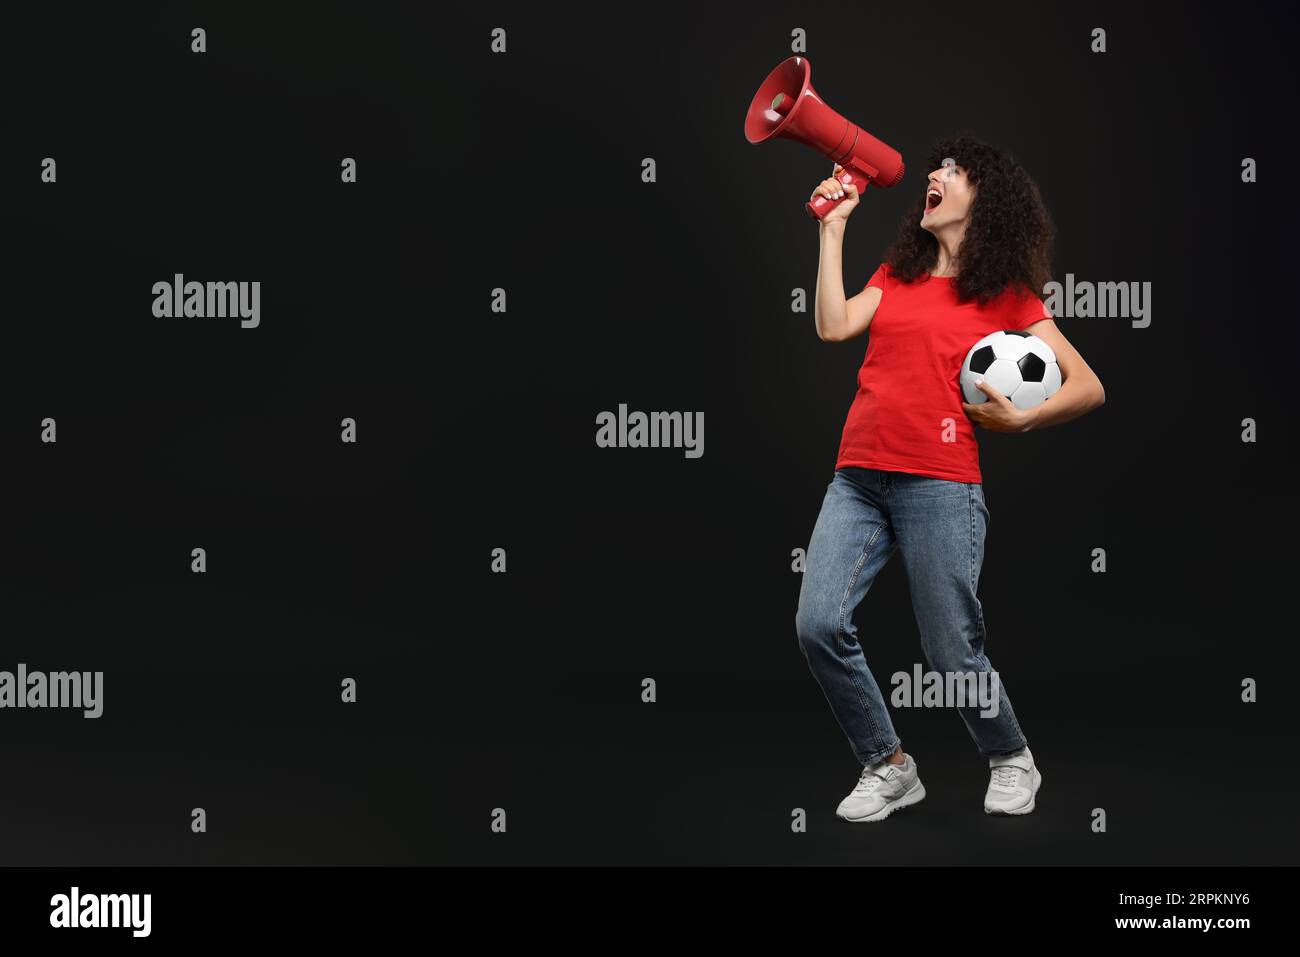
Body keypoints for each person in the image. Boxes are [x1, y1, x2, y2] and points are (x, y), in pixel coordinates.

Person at [795, 135, 1105, 823]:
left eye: (953, 171)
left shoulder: (1005, 295)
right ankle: (888, 764)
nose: (933, 174)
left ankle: (1012, 756)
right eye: (937, 169)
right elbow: (832, 325)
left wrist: (1023, 421)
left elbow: (1088, 385)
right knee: (818, 623)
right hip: (857, 478)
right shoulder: (895, 273)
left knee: (949, 653)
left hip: (940, 484)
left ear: (985, 201)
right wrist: (833, 229)